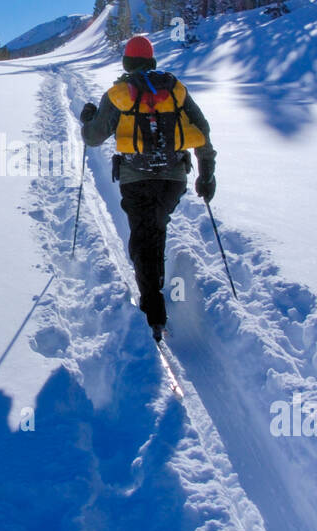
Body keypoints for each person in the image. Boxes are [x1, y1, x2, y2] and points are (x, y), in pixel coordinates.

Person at [79, 34, 216, 341]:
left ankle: (152, 313)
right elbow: (203, 131)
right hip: (173, 180)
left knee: (143, 239)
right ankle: (154, 290)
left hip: (136, 178)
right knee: (154, 231)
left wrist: (87, 118)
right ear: (151, 61)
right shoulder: (174, 89)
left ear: (127, 62)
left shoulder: (119, 94)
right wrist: (207, 174)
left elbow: (93, 137)